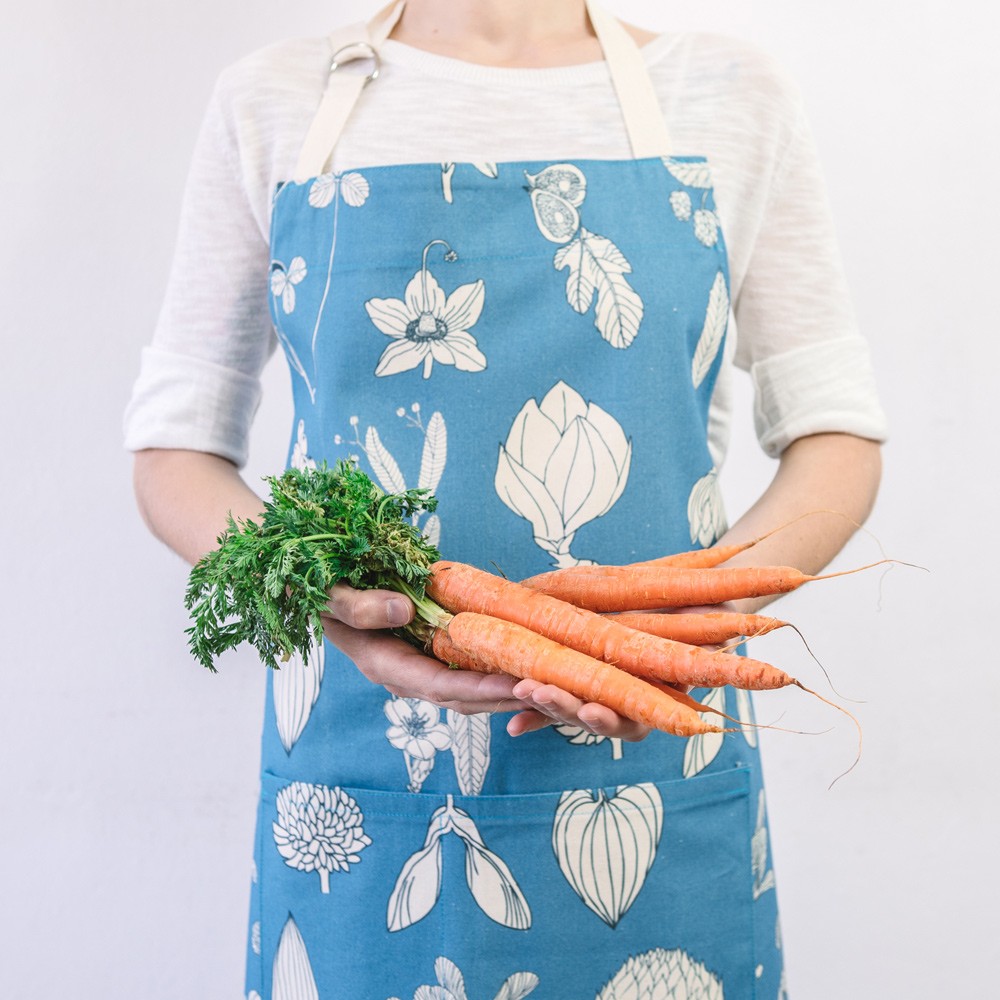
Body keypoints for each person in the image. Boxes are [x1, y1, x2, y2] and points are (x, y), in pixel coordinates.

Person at [124, 1, 887, 996]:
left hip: (656, 749)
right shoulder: (276, 100)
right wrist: (331, 600)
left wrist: (674, 629)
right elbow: (174, 453)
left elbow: (836, 438)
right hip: (369, 770)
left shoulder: (726, 93)